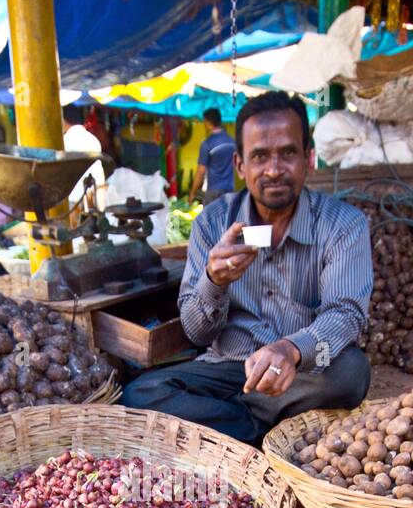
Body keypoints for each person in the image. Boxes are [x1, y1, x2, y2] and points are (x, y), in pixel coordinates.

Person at [122, 90, 372, 445]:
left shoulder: (342, 224)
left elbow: (346, 314)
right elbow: (196, 335)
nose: (273, 169)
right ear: (240, 165)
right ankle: (262, 434)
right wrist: (213, 282)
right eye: (260, 157)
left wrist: (290, 349)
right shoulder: (211, 223)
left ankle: (227, 432)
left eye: (288, 153)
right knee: (141, 395)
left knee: (350, 372)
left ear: (308, 158)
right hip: (229, 371)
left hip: (302, 374)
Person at [188, 106, 237, 205]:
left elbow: (201, 172)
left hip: (213, 191)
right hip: (229, 190)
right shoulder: (232, 142)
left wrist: (192, 193)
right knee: (227, 219)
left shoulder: (207, 144)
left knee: (211, 219)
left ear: (208, 122)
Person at [62, 104, 106, 210]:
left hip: (73, 201)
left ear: (63, 120)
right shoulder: (93, 139)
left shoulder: (65, 141)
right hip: (94, 197)